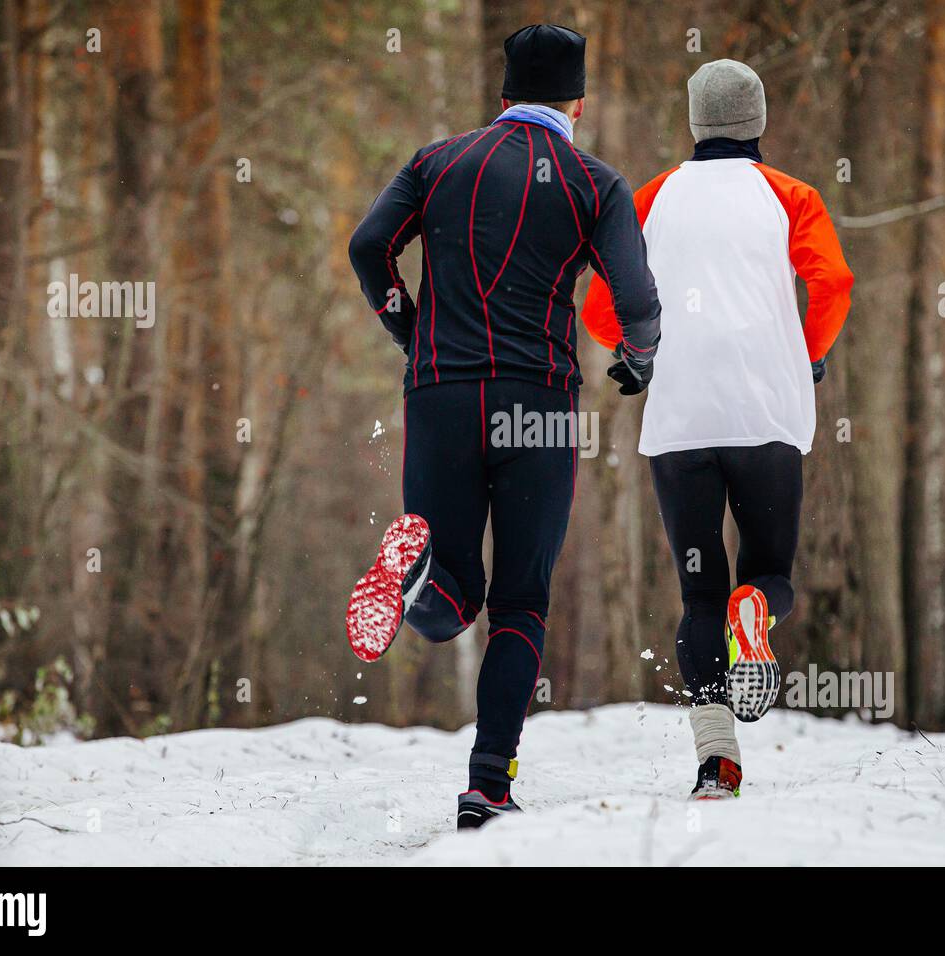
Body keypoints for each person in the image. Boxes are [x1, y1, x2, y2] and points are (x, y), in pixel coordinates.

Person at [345, 24, 661, 829]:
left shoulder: (438, 160)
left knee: (455, 580)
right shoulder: (596, 184)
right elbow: (637, 299)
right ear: (578, 104)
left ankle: (420, 587)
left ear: (503, 96)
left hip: (441, 393)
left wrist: (404, 324)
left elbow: (369, 244)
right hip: (540, 405)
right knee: (519, 602)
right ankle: (488, 784)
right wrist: (641, 356)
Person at [581, 59, 853, 800]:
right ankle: (757, 610)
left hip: (680, 419)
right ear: (758, 122)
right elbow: (832, 281)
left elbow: (601, 310)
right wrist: (811, 353)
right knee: (767, 573)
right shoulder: (790, 195)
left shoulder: (652, 197)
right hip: (766, 410)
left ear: (696, 125)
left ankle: (717, 762)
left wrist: (637, 358)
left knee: (699, 595)